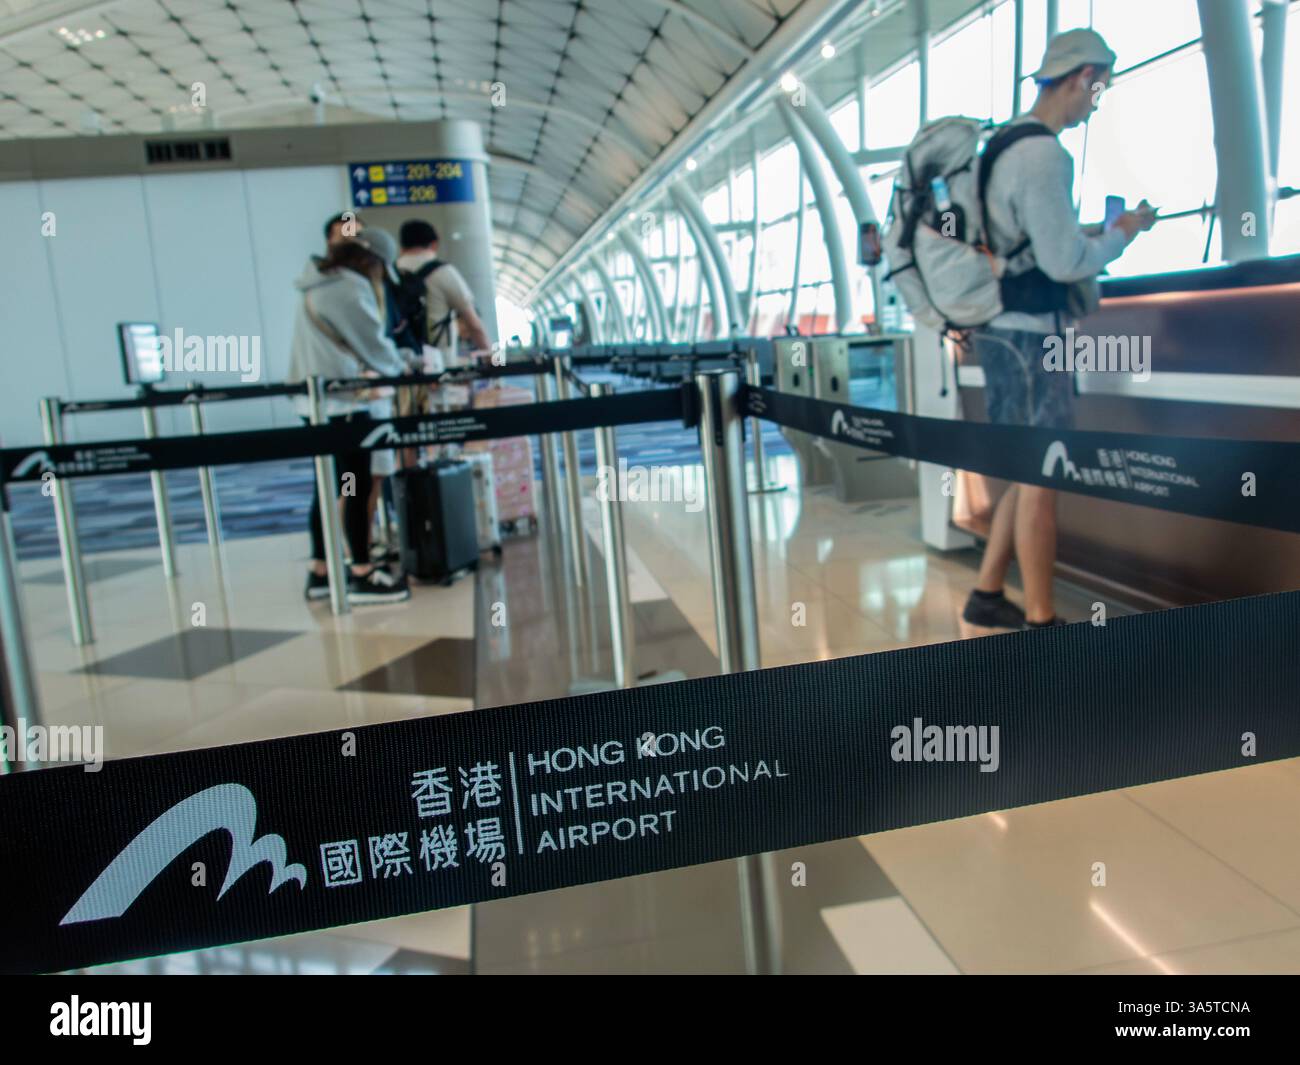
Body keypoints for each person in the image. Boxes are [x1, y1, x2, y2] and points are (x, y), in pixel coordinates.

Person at [961, 28, 1155, 630]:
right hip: (1028, 337)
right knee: (1043, 470)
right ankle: (1042, 621)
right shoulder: (1046, 154)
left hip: (1001, 331)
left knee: (1024, 467)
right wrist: (1124, 232)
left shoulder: (1002, 146)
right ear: (1079, 78)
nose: (1097, 102)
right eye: (1099, 90)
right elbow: (1063, 262)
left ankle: (989, 592)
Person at [289, 227, 411, 605]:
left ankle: (320, 571)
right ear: (370, 261)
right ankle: (361, 572)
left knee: (327, 488)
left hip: (315, 404)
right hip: (344, 406)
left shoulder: (318, 284)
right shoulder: (348, 288)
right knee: (354, 487)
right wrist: (405, 363)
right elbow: (373, 345)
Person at [394, 219, 491, 365]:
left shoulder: (390, 272)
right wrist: (493, 360)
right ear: (434, 244)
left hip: (400, 363)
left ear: (402, 246)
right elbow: (474, 325)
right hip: (438, 365)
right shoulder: (444, 272)